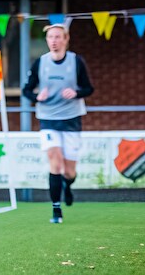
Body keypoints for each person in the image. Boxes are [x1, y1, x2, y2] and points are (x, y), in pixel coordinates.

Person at [22, 23, 94, 224]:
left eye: (57, 37)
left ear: (65, 39)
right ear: (47, 40)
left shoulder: (76, 61)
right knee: (54, 161)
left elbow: (89, 89)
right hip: (48, 119)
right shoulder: (40, 63)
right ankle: (56, 209)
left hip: (71, 119)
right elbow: (26, 90)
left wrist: (77, 92)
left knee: (69, 171)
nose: (53, 41)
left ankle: (67, 185)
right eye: (50, 37)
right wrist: (37, 96)